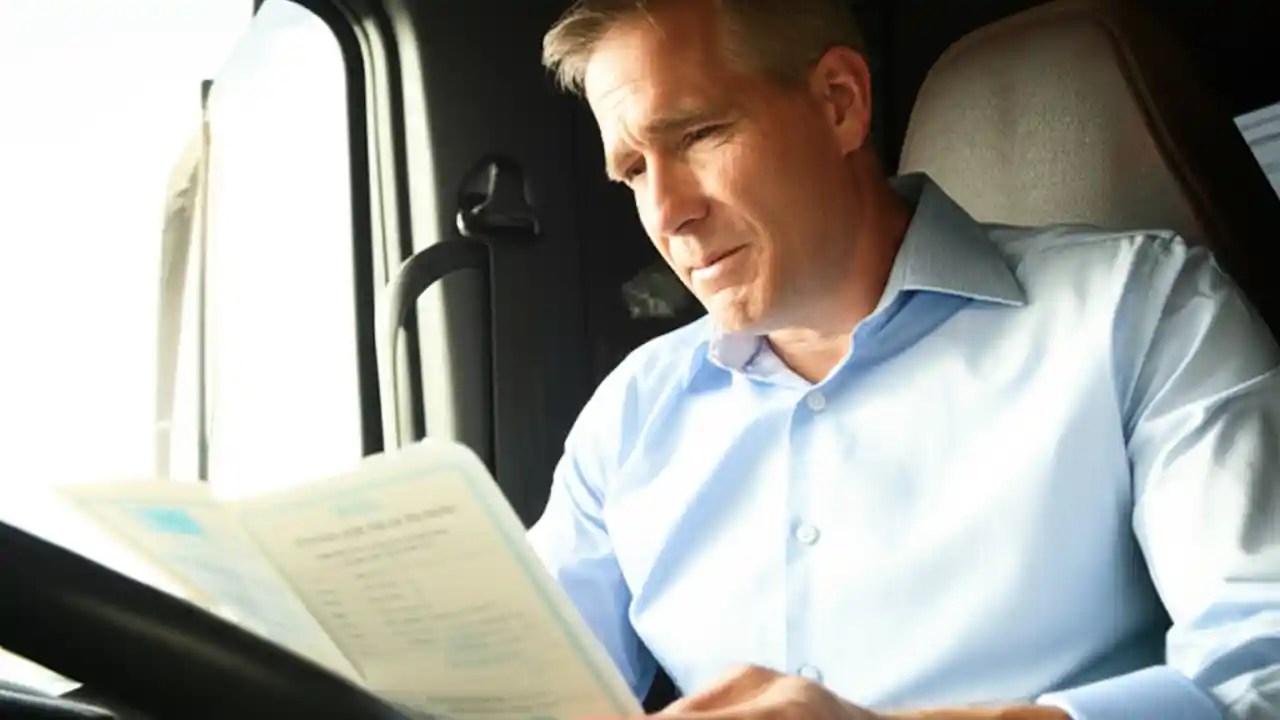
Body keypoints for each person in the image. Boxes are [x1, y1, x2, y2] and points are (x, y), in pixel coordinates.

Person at [526, 1, 1280, 718]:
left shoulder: (1143, 312)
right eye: (632, 171)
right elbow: (507, 691)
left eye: (698, 135)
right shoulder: (629, 419)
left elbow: (1264, 674)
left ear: (839, 102)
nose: (666, 213)